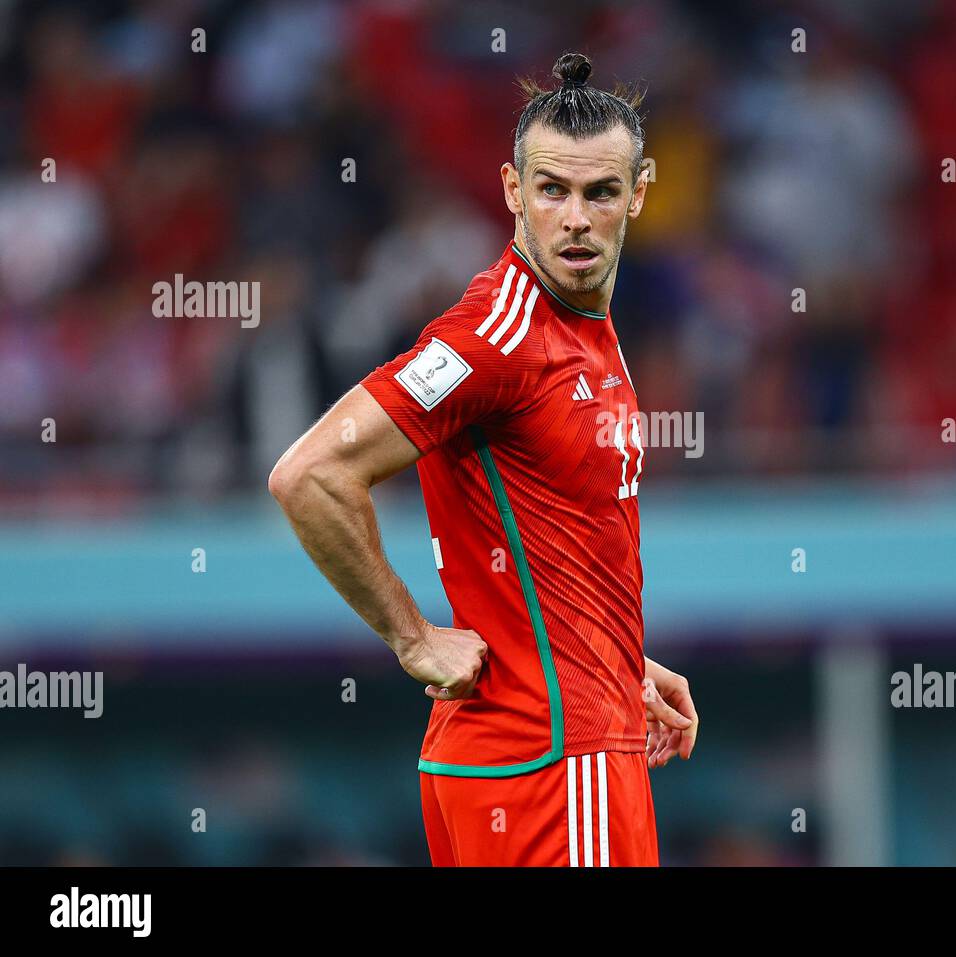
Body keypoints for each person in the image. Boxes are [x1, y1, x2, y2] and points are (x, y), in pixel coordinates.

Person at [269, 52, 698, 866]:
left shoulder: (582, 330)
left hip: (538, 750)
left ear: (637, 196)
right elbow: (309, 474)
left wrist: (618, 660)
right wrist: (411, 636)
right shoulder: (498, 339)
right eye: (552, 190)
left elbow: (545, 539)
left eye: (600, 193)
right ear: (512, 192)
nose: (575, 217)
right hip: (552, 767)